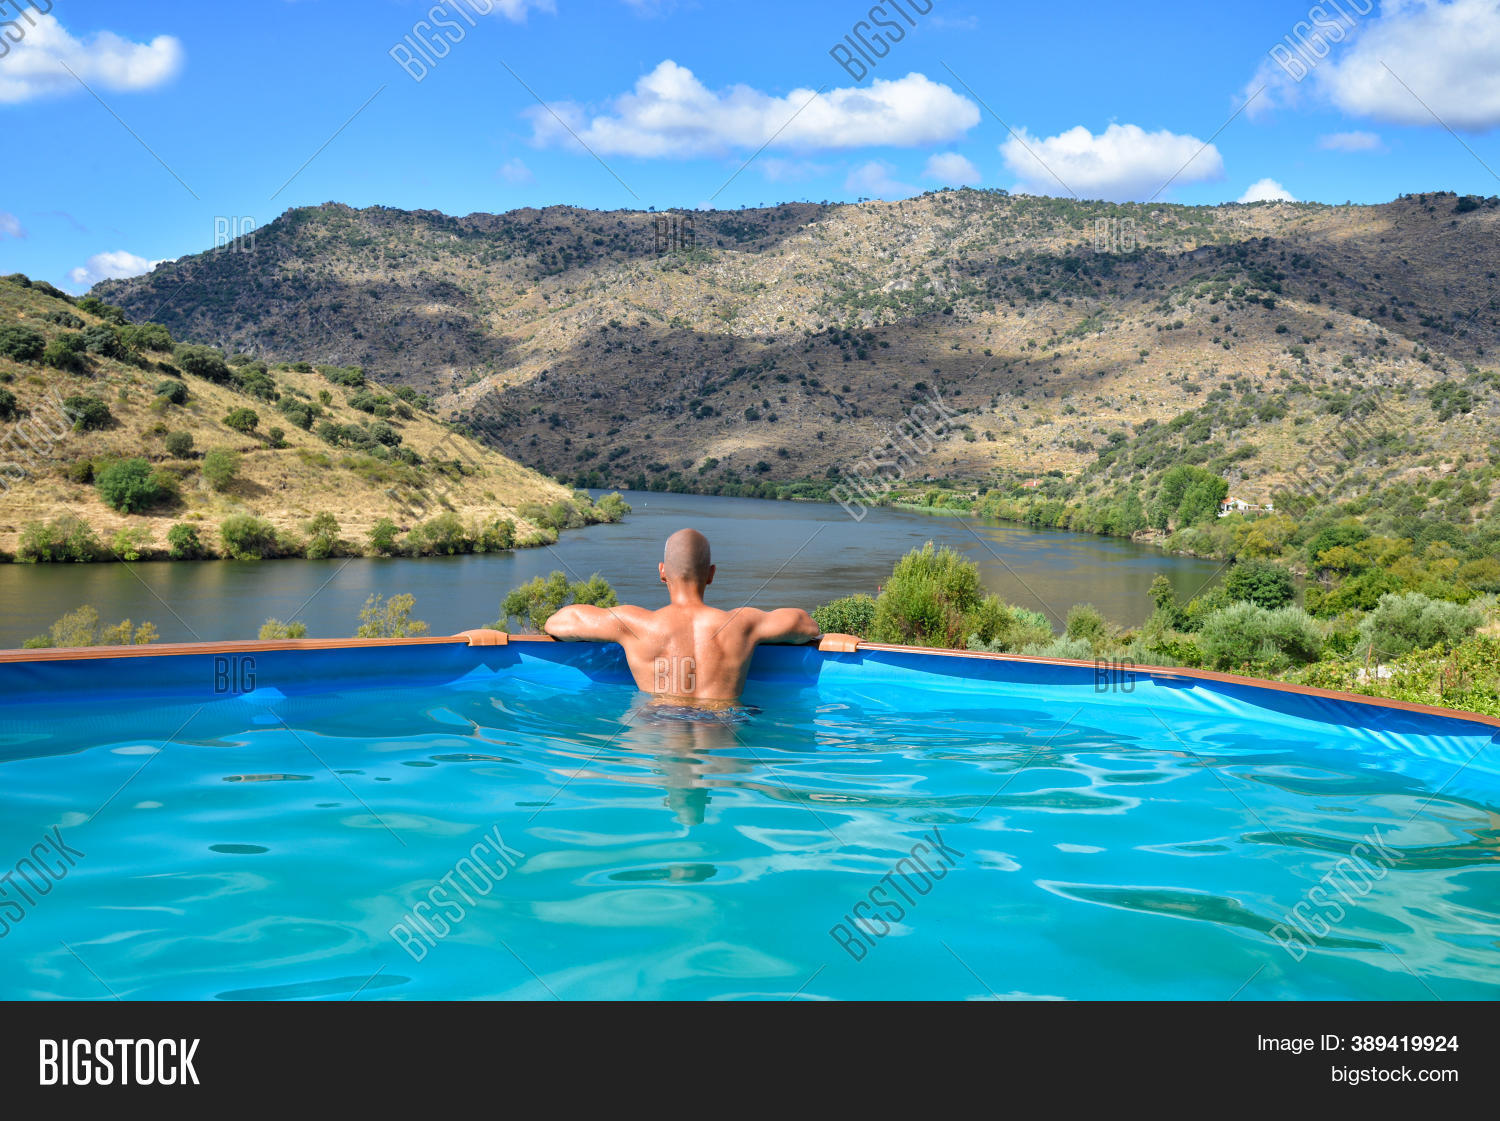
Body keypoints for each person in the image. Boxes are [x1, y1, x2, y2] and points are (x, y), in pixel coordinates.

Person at [537, 528, 850, 704]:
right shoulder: (742, 624)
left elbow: (561, 622)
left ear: (662, 573)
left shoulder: (634, 624)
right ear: (711, 574)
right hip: (722, 731)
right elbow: (805, 625)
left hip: (658, 727)